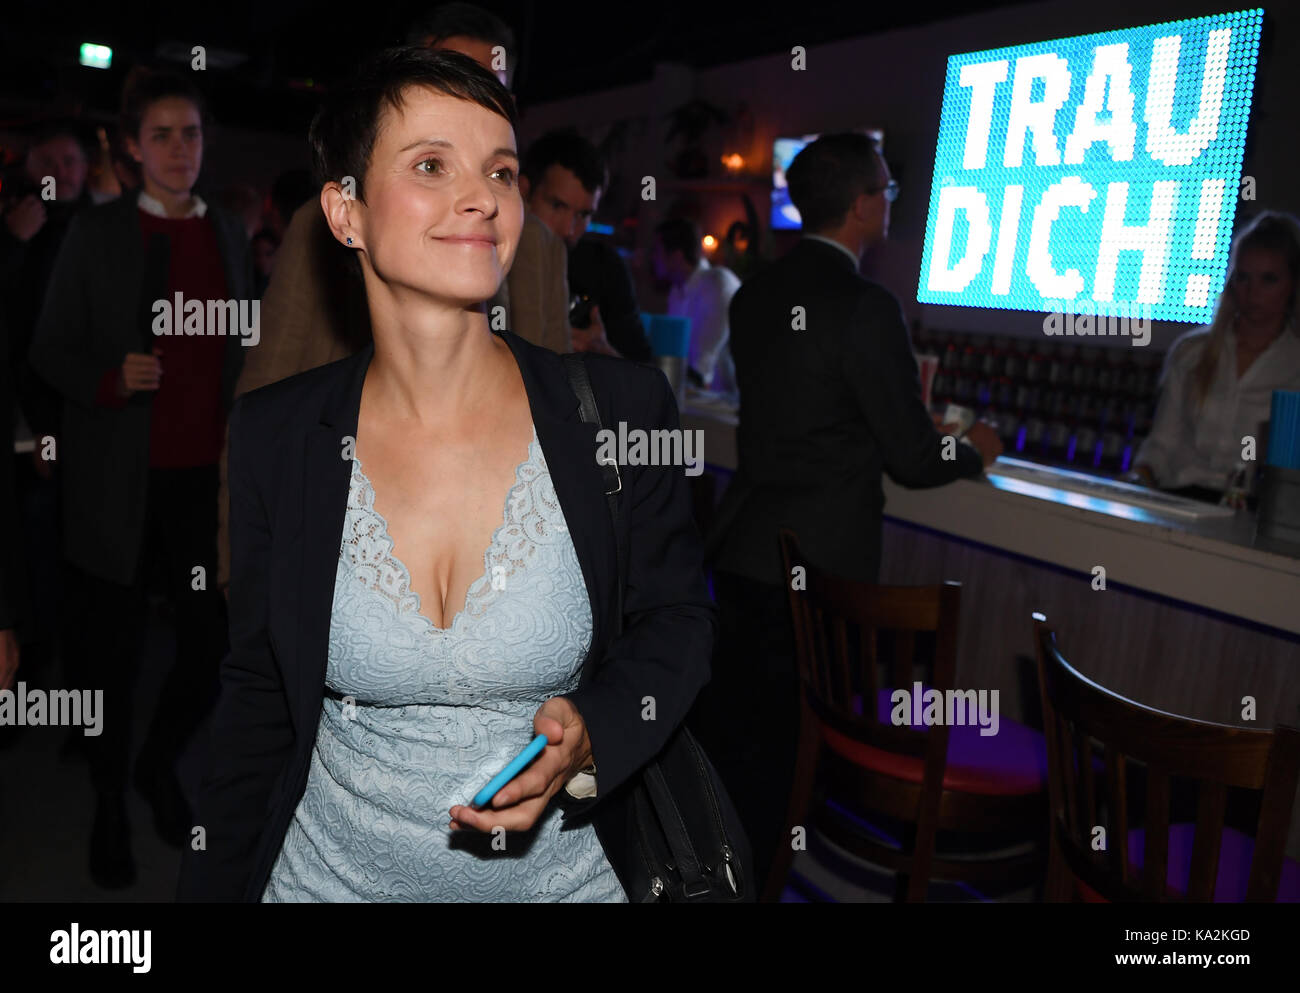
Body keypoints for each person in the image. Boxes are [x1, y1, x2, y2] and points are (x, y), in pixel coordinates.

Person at [176, 46, 714, 903]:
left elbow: (678, 618)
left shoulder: (618, 410)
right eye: (432, 164)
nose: (482, 198)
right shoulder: (281, 434)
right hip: (327, 883)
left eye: (501, 171)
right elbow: (258, 695)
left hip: (565, 886)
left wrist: (594, 734)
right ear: (344, 213)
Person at [690, 132, 1002, 894]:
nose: (891, 200)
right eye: (888, 189)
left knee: (735, 749)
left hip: (739, 547)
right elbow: (915, 458)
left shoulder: (759, 290)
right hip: (816, 567)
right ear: (863, 205)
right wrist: (980, 449)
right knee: (787, 755)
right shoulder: (865, 307)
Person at [214, 2, 570, 592]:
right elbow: (265, 389)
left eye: (492, 90)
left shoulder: (537, 247)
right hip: (343, 528)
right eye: (453, 75)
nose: (470, 100)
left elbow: (559, 405)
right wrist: (237, 566)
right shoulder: (320, 227)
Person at [27, 67, 251, 889]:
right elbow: (48, 349)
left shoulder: (226, 233)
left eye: (189, 134)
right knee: (111, 662)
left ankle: (158, 766)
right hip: (116, 486)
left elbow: (241, 350)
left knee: (208, 646)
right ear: (130, 146)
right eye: (159, 134)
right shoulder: (99, 233)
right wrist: (110, 380)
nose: (177, 149)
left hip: (200, 482)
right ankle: (109, 807)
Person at [1132, 211, 1300, 500]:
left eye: (1268, 279)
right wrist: (1138, 477)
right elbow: (1162, 443)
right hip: (1178, 498)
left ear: (1293, 284)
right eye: (1244, 278)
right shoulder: (1192, 351)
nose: (1252, 292)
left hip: (1254, 514)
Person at [520, 129, 652, 361]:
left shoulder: (605, 266)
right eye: (557, 206)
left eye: (583, 214)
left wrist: (602, 351)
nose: (569, 229)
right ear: (524, 191)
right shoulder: (496, 259)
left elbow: (644, 374)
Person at [651, 216, 740, 395]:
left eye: (657, 251)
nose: (653, 258)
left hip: (726, 404)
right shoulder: (677, 290)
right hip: (698, 401)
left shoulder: (718, 283)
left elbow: (700, 372)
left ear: (676, 256)